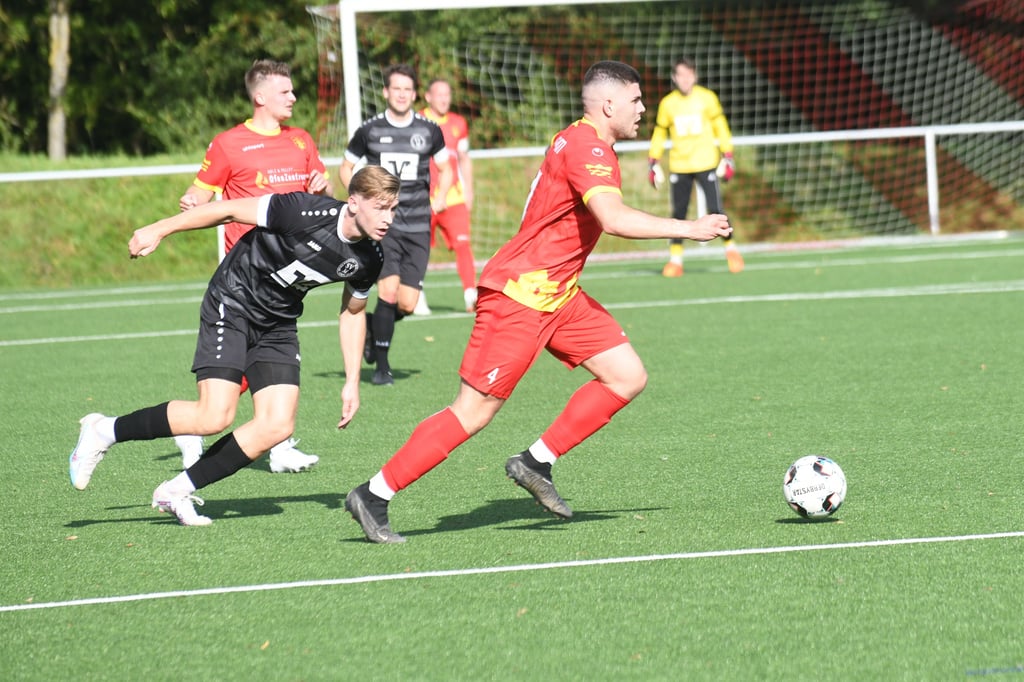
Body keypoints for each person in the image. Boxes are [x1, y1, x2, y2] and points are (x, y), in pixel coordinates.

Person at [343, 60, 732, 544]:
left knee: (627, 375)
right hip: (520, 295)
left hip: (559, 293)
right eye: (635, 100)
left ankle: (534, 462)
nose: (643, 108)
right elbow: (610, 216)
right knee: (473, 412)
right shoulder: (588, 146)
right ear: (607, 104)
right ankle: (374, 493)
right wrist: (688, 227)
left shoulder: (581, 139)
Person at [68, 166, 401, 526]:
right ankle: (104, 430)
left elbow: (352, 312)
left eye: (393, 208)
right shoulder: (301, 211)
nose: (388, 218)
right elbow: (225, 210)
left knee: (277, 426)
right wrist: (158, 229)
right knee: (213, 416)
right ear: (353, 202)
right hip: (233, 301)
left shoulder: (370, 257)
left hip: (278, 323)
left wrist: (352, 380)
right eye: (380, 207)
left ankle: (175, 490)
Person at [174, 59, 332, 474]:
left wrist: (323, 186)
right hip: (244, 274)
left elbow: (323, 194)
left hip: (289, 272)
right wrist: (192, 203)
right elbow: (201, 193)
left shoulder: (301, 140)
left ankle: (258, 435)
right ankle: (265, 440)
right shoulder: (229, 143)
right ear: (260, 96)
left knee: (265, 356)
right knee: (254, 354)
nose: (294, 98)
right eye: (285, 91)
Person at [339, 64, 453, 386]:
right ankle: (381, 368)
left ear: (414, 94)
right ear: (386, 92)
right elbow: (346, 168)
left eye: (408, 89)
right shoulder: (369, 130)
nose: (402, 94)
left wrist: (442, 195)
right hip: (383, 226)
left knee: (408, 303)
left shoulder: (429, 130)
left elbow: (446, 169)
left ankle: (376, 326)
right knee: (387, 290)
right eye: (396, 88)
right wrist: (360, 201)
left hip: (418, 224)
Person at [648, 56, 743, 277]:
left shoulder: (707, 98)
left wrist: (728, 155)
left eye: (688, 74)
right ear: (674, 77)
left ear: (695, 75)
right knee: (678, 212)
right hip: (680, 165)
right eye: (680, 75)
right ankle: (676, 260)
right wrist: (654, 160)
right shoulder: (668, 104)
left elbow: (720, 126)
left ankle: (731, 250)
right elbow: (660, 133)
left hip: (706, 162)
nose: (685, 79)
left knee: (716, 209)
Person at [419, 77, 478, 314]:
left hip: (453, 197)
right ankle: (416, 294)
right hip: (424, 198)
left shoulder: (458, 123)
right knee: (419, 247)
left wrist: (469, 190)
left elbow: (464, 158)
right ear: (428, 97)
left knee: (463, 244)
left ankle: (471, 295)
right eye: (439, 94)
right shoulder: (416, 121)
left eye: (447, 94)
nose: (444, 99)